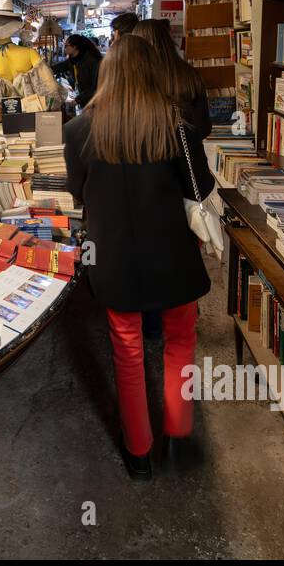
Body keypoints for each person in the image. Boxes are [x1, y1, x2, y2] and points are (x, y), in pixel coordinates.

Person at [64, 35, 216, 480]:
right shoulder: (178, 125)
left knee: (127, 351)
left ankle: (138, 453)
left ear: (107, 73)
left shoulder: (79, 130)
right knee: (180, 343)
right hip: (173, 255)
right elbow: (199, 189)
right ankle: (178, 435)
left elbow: (78, 194)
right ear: (153, 72)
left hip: (112, 258)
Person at [132, 17, 212, 141]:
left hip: (150, 154)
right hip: (187, 155)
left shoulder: (134, 78)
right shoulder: (190, 74)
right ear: (168, 41)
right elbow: (204, 127)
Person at [51, 34, 102, 110]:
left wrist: (78, 100)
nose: (64, 48)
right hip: (84, 100)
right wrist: (43, 70)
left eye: (66, 46)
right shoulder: (73, 60)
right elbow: (58, 67)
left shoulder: (93, 61)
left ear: (74, 47)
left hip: (95, 102)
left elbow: (95, 87)